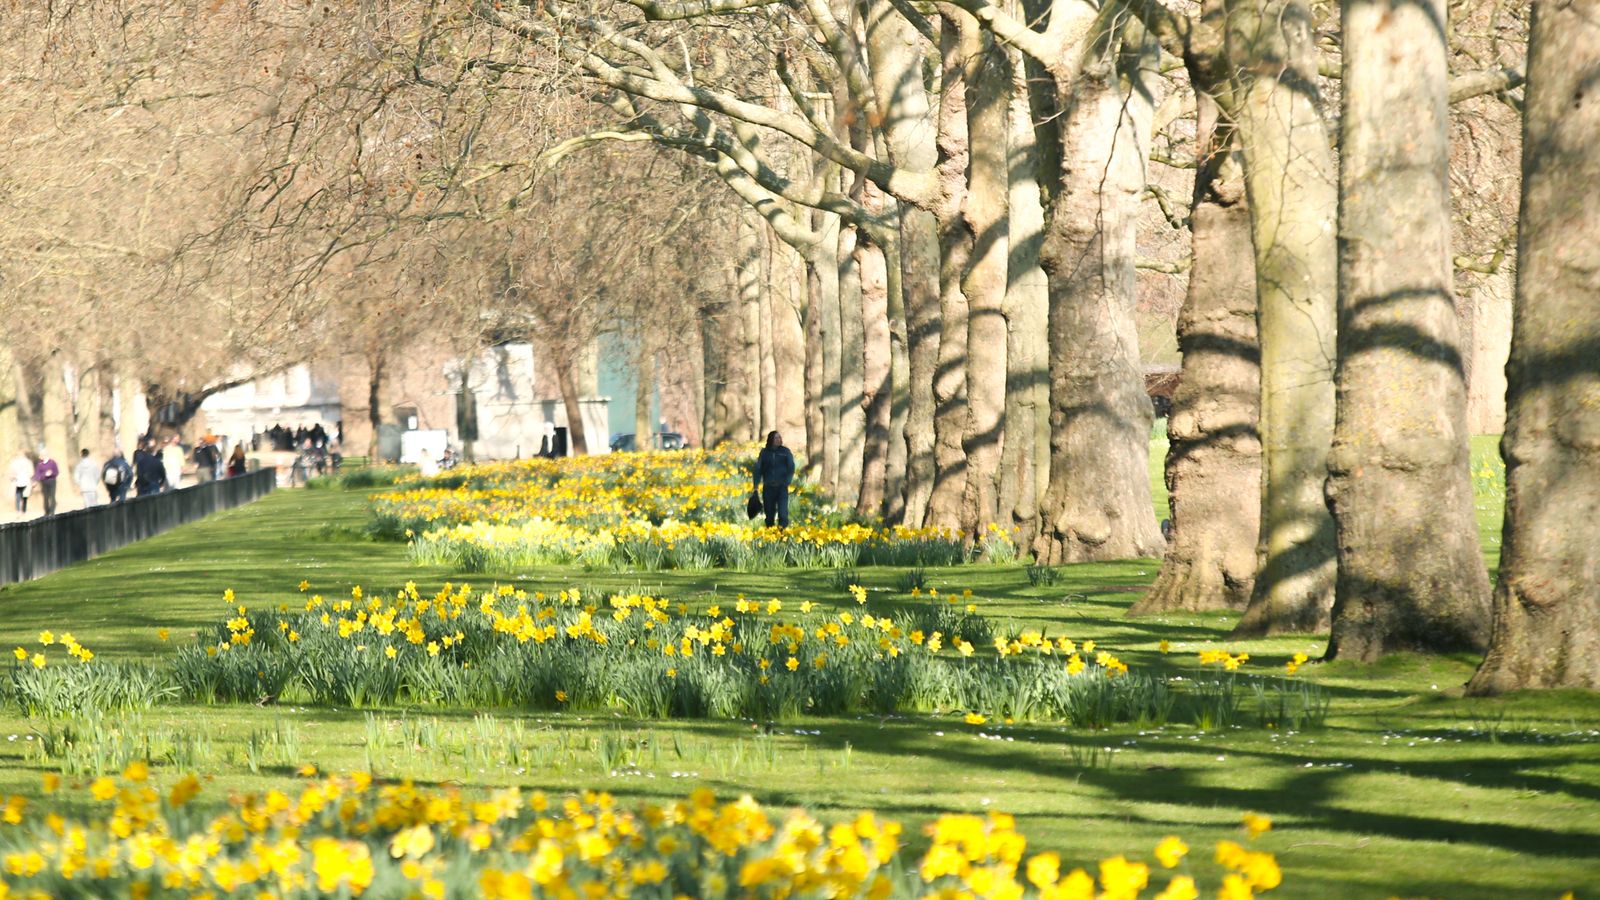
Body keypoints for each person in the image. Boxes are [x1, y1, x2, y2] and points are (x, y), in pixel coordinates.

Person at [752, 431, 795, 529]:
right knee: (769, 515)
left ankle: (782, 534)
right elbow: (758, 469)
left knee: (783, 514)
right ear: (771, 439)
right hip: (768, 488)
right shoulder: (764, 453)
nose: (779, 439)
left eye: (780, 437)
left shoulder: (785, 452)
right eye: (776, 438)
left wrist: (787, 481)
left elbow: (791, 467)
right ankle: (770, 534)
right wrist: (756, 485)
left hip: (782, 488)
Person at [33, 451, 60, 517]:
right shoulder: (40, 464)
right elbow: (37, 473)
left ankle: (52, 512)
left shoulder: (52, 462)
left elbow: (56, 472)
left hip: (52, 481)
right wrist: (35, 481)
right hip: (44, 482)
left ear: (45, 455)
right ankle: (46, 512)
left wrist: (51, 473)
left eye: (41, 455)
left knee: (52, 496)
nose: (39, 457)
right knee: (45, 497)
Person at [9, 450, 33, 514]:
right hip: (17, 482)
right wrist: (12, 476)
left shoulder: (28, 462)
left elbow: (31, 472)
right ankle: (18, 511)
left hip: (25, 481)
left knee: (25, 496)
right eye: (18, 455)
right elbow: (11, 471)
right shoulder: (14, 462)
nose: (20, 456)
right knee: (18, 496)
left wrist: (29, 476)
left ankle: (24, 511)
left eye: (21, 454)